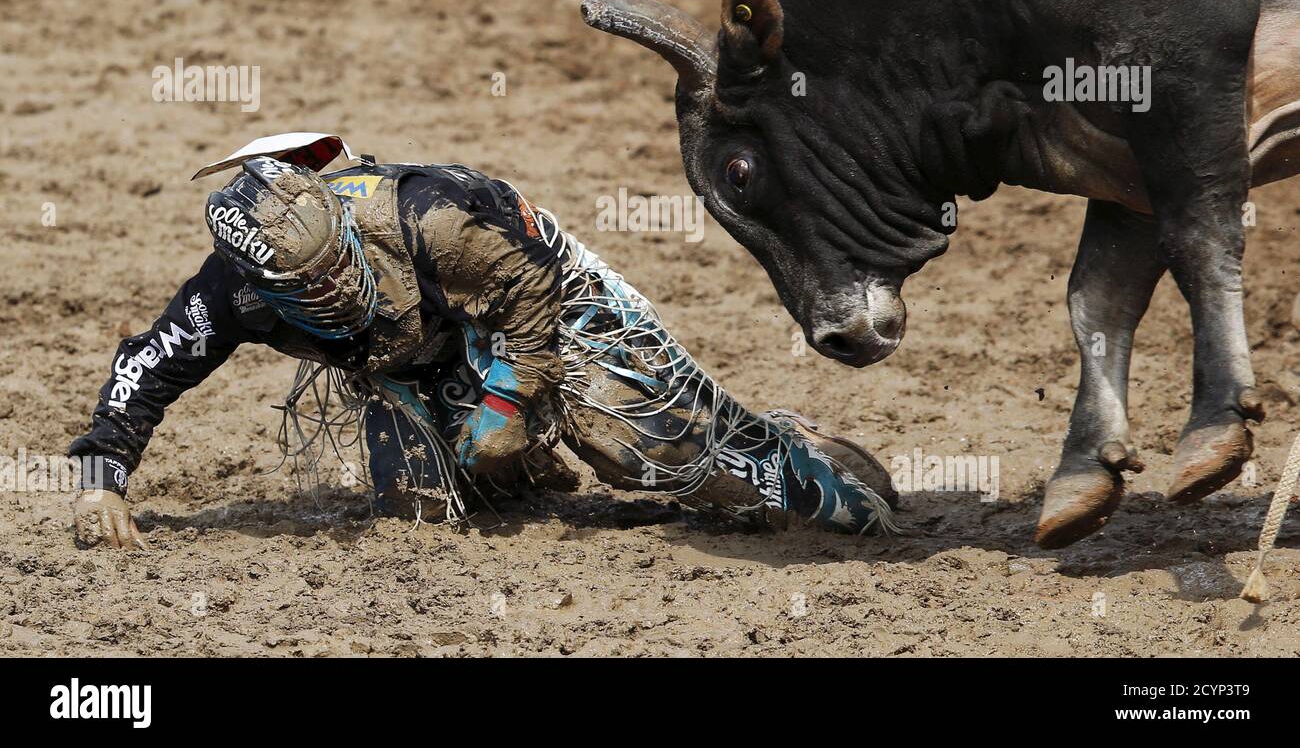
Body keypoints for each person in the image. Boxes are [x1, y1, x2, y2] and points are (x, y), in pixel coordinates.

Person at [70, 134, 897, 548]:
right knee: (420, 518)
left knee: (647, 454)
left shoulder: (431, 216)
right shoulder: (232, 292)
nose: (332, 289)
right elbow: (150, 365)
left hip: (547, 304)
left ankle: (786, 450)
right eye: (308, 289)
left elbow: (531, 290)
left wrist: (510, 395)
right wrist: (104, 475)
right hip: (413, 359)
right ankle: (521, 461)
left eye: (337, 268)